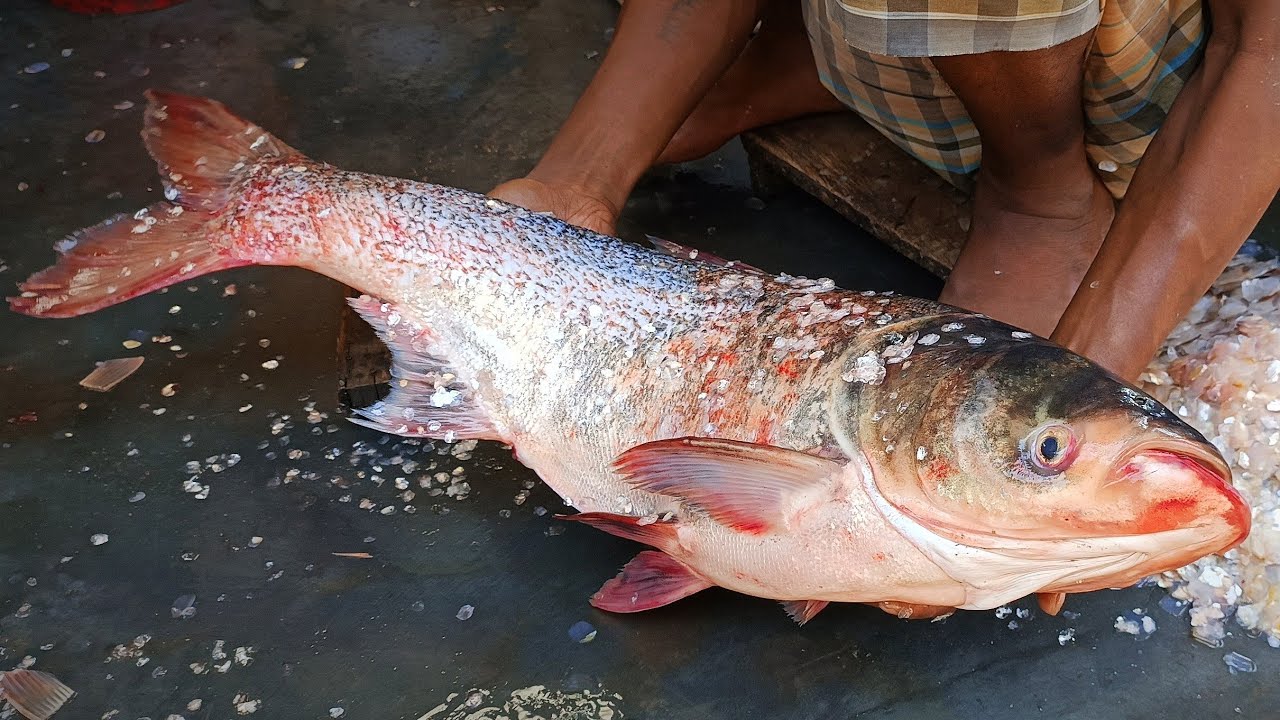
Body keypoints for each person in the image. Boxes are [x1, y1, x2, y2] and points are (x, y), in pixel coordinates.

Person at [489, 0, 1279, 382]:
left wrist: (1077, 390)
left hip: (1170, 66)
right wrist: (576, 183)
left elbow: (1263, 46)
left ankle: (1040, 188)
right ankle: (845, 59)